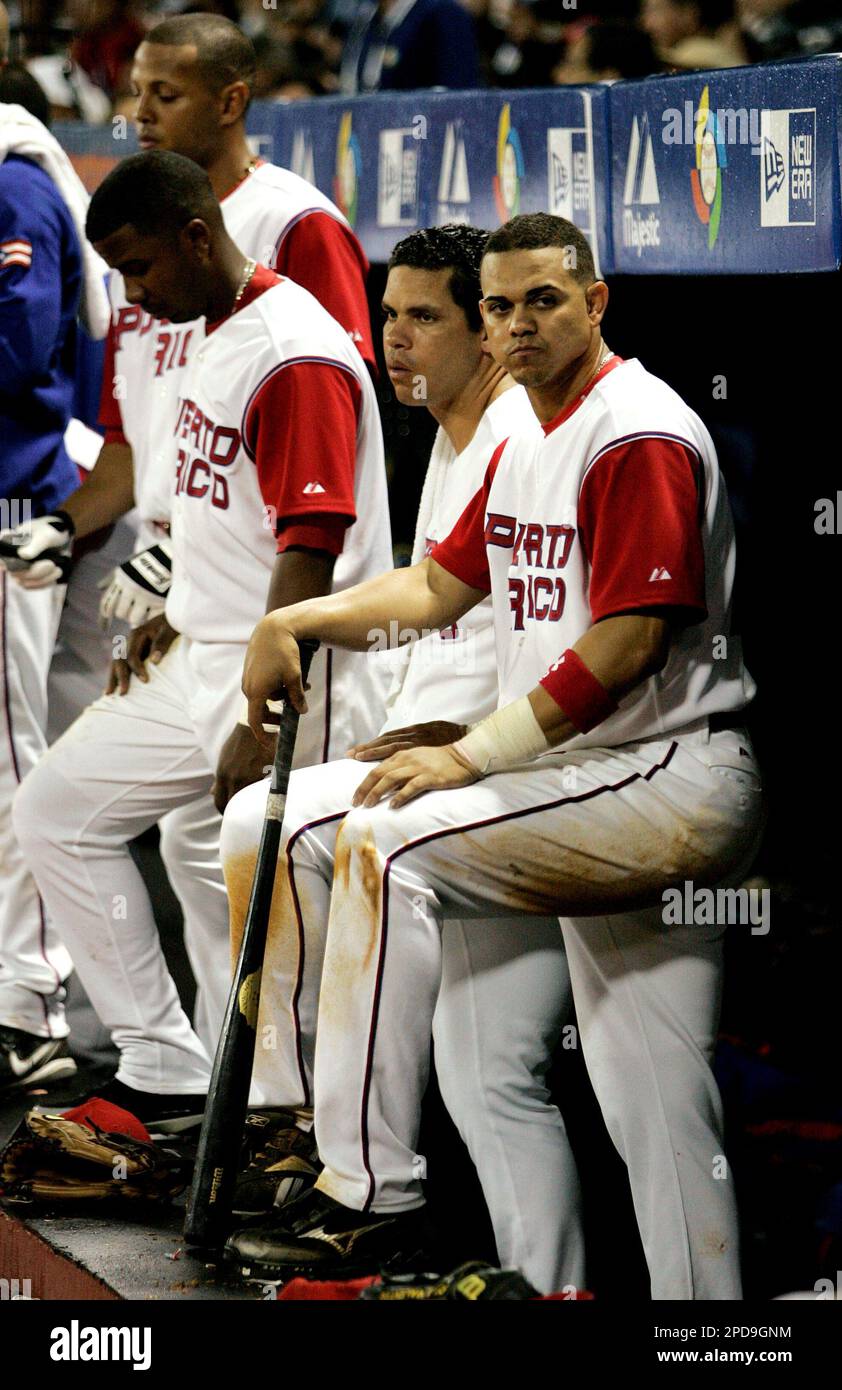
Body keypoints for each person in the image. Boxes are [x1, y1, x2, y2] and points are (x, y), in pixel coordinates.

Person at [224, 212, 763, 1299]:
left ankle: (362, 1188)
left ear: (595, 303)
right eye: (501, 306)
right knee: (644, 1097)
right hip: (600, 779)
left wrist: (472, 754)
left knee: (381, 839)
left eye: (544, 301)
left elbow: (628, 642)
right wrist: (299, 621)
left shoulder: (634, 431)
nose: (517, 324)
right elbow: (435, 586)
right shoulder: (533, 428)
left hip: (665, 771)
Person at [2, 12, 380, 1063]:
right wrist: (95, 541)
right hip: (198, 612)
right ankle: (181, 1071)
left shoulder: (289, 249)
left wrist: (255, 665)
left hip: (291, 633)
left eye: (163, 94)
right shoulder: (186, 303)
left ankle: (296, 1124)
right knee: (86, 818)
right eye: (134, 94)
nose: (138, 115)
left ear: (229, 97)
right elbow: (143, 451)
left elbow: (319, 468)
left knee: (276, 890)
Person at [221, 223, 585, 1293]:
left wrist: (469, 740)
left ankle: (351, 1172)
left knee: (283, 829)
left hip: (531, 780)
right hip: (463, 781)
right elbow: (432, 608)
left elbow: (584, 631)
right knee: (494, 1084)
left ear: (488, 331)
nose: (395, 339)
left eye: (424, 317)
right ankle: (306, 1133)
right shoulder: (445, 435)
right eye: (388, 314)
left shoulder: (526, 432)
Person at [0, 0, 112, 1094]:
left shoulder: (11, 175)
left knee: (18, 759)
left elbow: (23, 349)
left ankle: (28, 1007)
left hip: (16, 493)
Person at [340, 0, 481, 93]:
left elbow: (459, 96)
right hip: (362, 131)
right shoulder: (362, 21)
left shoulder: (443, 14)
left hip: (415, 131)